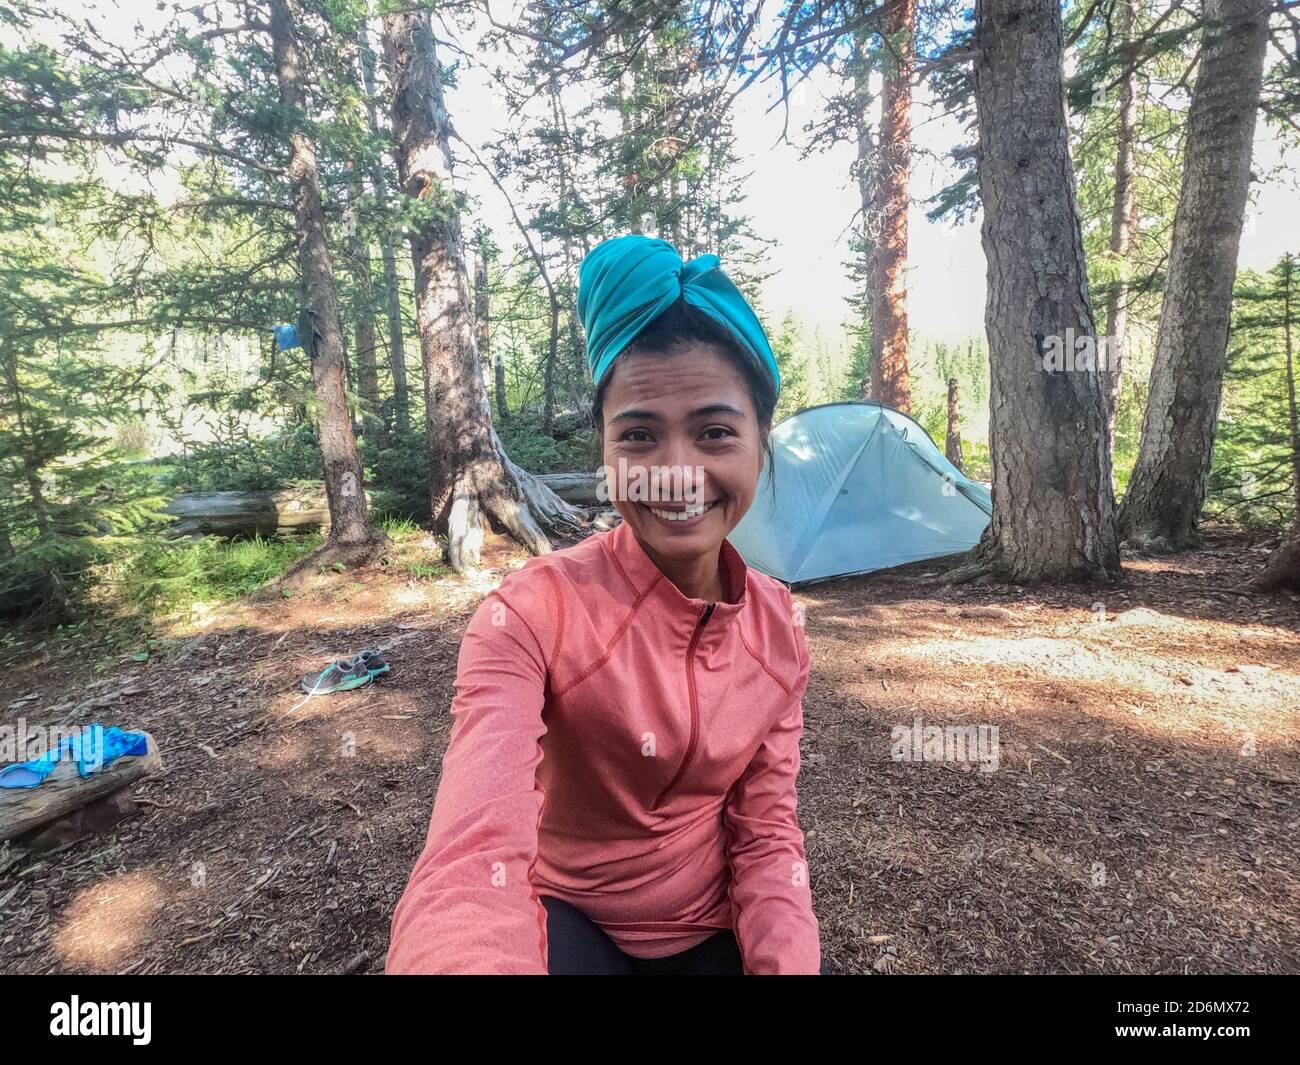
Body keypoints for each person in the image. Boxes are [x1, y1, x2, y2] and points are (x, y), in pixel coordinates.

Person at [386, 234, 824, 975]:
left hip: (707, 922)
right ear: (605, 449)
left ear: (761, 443)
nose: (678, 473)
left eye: (715, 431)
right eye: (640, 436)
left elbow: (767, 834)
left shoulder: (779, 632)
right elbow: (472, 849)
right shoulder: (529, 615)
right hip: (567, 917)